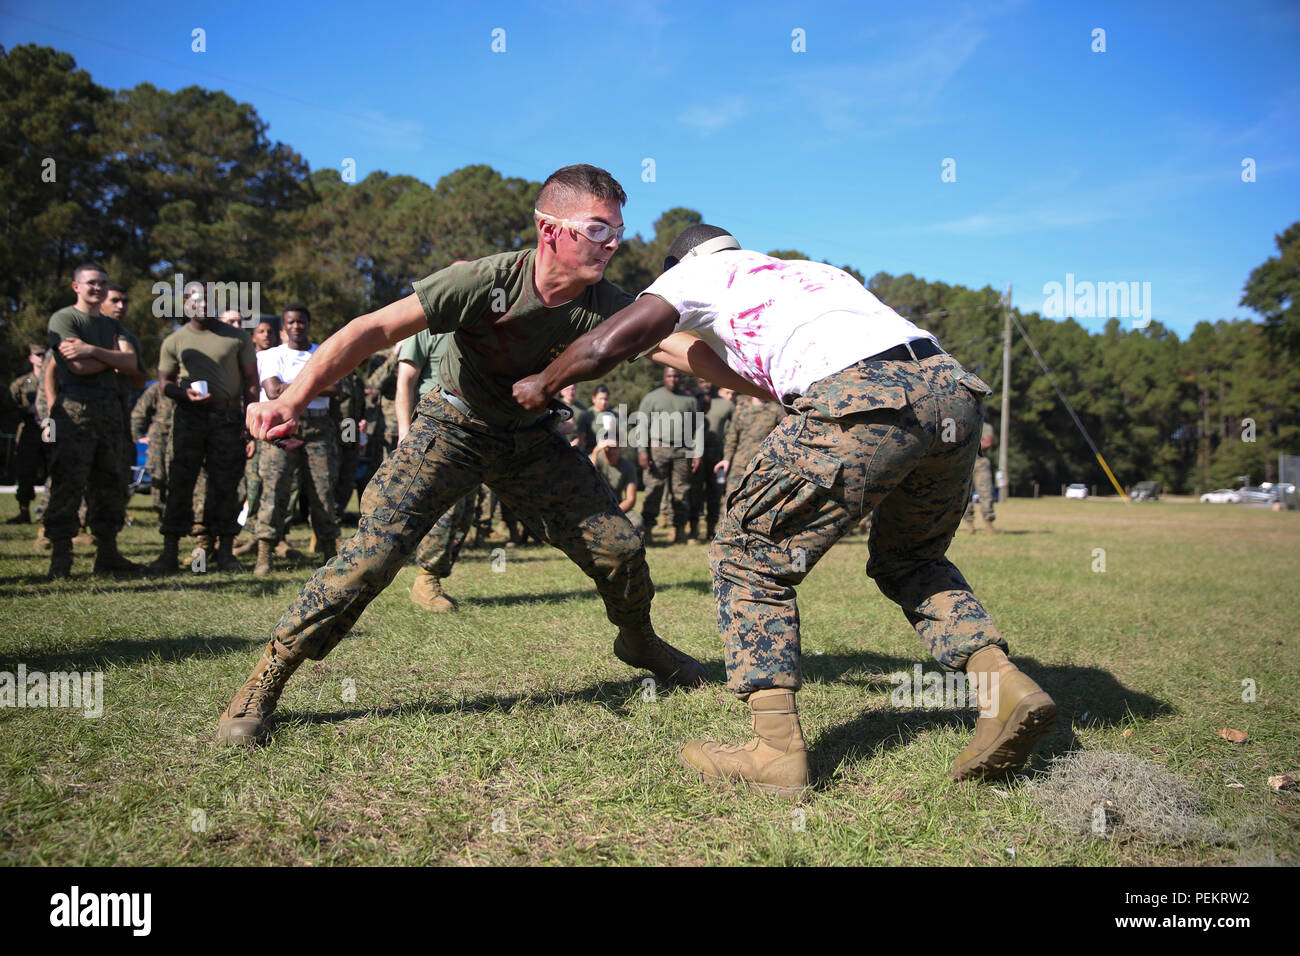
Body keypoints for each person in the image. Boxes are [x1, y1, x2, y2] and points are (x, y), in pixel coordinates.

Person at [514, 224, 1057, 797]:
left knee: (747, 557)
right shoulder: (805, 274)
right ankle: (1006, 689)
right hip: (952, 391)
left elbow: (607, 345)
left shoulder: (694, 275)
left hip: (862, 394)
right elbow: (736, 365)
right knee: (912, 560)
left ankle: (775, 750)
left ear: (677, 265)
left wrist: (543, 383)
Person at [215, 165, 720, 746]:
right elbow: (370, 329)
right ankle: (269, 673)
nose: (614, 244)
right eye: (598, 229)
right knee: (373, 557)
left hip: (531, 439)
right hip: (452, 426)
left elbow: (680, 349)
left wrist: (773, 380)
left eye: (618, 231)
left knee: (621, 548)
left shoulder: (609, 303)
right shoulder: (488, 280)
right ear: (549, 229)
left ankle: (638, 640)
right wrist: (295, 398)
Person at [146, 284, 258, 573]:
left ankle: (226, 554)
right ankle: (169, 552)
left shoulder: (237, 336)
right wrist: (185, 395)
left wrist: (249, 419)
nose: (202, 305)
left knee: (227, 484)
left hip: (228, 419)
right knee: (181, 482)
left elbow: (251, 382)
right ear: (185, 305)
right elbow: (164, 384)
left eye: (207, 300)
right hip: (189, 418)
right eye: (196, 300)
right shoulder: (175, 340)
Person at [43, 264, 144, 577]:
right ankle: (61, 557)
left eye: (102, 283)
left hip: (111, 412)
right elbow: (77, 367)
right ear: (76, 286)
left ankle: (108, 554)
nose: (97, 289)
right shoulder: (65, 319)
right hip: (76, 407)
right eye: (91, 283)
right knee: (68, 480)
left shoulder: (113, 325)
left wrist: (91, 351)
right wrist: (109, 359)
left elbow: (131, 363)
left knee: (110, 482)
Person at [251, 304, 341, 575]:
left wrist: (293, 386)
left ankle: (330, 554)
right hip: (282, 426)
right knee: (275, 487)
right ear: (284, 327)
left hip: (319, 427)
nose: (296, 326)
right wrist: (314, 385)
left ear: (308, 324)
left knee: (323, 490)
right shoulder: (271, 355)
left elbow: (336, 388)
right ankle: (264, 553)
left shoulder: (321, 353)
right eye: (291, 322)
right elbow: (273, 391)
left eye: (301, 322)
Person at [396, 326, 476, 612]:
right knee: (447, 506)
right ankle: (426, 580)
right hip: (435, 428)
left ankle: (433, 577)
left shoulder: (478, 325)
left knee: (465, 509)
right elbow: (405, 379)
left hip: (474, 430)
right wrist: (405, 431)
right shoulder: (425, 330)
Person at [637, 367, 702, 544]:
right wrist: (642, 450)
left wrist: (697, 452)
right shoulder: (652, 398)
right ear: (664, 377)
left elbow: (698, 427)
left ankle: (679, 530)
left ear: (680, 378)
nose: (673, 379)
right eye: (669, 376)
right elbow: (642, 425)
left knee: (681, 490)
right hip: (658, 448)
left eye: (676, 376)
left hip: (682, 450)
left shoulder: (690, 400)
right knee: (654, 489)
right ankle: (648, 530)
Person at [6, 344, 49, 525]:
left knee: (54, 466)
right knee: (25, 470)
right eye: (37, 355)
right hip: (29, 429)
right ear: (31, 358)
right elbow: (9, 409)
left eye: (43, 354)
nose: (41, 358)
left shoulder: (54, 378)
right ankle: (24, 511)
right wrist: (26, 410)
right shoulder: (21, 383)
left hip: (50, 425)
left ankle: (48, 511)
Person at [719, 394, 785, 498]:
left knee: (758, 498)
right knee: (731, 496)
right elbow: (732, 437)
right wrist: (726, 459)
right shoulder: (742, 410)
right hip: (739, 464)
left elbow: (784, 437)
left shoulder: (776, 410)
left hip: (763, 465)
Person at [692, 379, 733, 542]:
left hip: (717, 453)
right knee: (694, 492)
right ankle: (693, 530)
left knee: (715, 493)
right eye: (702, 381)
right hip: (694, 452)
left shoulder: (726, 405)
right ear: (696, 381)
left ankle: (711, 530)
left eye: (709, 381)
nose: (706, 384)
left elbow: (732, 431)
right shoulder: (691, 401)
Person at [590, 437, 641, 535]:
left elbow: (630, 500)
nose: (611, 451)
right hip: (594, 507)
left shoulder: (628, 467)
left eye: (615, 448)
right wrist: (595, 451)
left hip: (616, 508)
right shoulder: (594, 459)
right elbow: (587, 476)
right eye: (607, 448)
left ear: (620, 448)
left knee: (637, 523)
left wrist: (612, 513)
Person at [963, 423, 998, 533]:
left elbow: (987, 442)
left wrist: (967, 444)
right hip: (964, 462)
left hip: (980, 462)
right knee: (965, 495)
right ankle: (970, 524)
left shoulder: (985, 426)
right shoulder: (961, 423)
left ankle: (989, 523)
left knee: (986, 494)